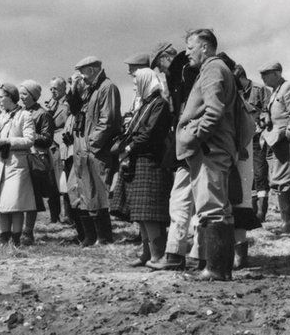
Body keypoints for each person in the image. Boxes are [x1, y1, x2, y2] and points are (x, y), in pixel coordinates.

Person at [175, 29, 238, 281]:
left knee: (213, 208)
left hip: (209, 149)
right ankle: (220, 268)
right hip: (214, 147)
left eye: (190, 47)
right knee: (219, 207)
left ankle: (216, 269)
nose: (187, 53)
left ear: (204, 47)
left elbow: (214, 111)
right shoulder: (218, 68)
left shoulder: (212, 69)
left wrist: (195, 135)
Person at [110, 69, 173, 267]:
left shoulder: (159, 104)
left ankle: (156, 255)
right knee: (141, 214)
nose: (135, 86)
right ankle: (146, 253)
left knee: (150, 213)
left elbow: (149, 134)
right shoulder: (146, 104)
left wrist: (128, 147)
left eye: (137, 83)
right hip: (139, 160)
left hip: (151, 161)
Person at [145, 42, 198, 271]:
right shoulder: (187, 73)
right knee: (196, 205)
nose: (160, 71)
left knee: (179, 202)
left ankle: (175, 254)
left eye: (160, 65)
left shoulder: (183, 72)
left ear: (166, 58)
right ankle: (196, 255)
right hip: (193, 144)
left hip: (189, 145)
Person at [66, 57, 121, 246]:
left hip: (94, 149)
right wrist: (73, 89)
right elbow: (74, 110)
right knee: (81, 192)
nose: (79, 75)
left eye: (82, 71)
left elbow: (109, 119)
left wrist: (91, 144)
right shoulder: (89, 89)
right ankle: (89, 236)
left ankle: (103, 237)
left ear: (91, 70)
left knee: (97, 193)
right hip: (82, 148)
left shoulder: (107, 87)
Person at [0, 83, 37, 246]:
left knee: (15, 203)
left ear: (11, 97)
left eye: (1, 97)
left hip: (16, 165)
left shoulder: (25, 116)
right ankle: (4, 237)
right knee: (2, 203)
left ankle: (16, 238)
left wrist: (6, 141)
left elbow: (29, 140)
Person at [259, 62, 290, 235]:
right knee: (278, 181)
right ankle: (287, 224)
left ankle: (289, 227)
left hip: (286, 141)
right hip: (276, 141)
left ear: (277, 73)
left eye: (266, 73)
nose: (262, 77)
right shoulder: (276, 91)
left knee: (283, 181)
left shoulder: (288, 88)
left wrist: (289, 135)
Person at [18, 80, 57, 244]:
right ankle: (18, 230)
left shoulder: (43, 114)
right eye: (20, 94)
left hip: (35, 159)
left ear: (34, 96)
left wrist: (29, 136)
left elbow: (48, 139)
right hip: (22, 158)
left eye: (25, 94)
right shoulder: (20, 112)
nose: (21, 97)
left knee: (33, 196)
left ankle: (28, 232)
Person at [233, 65, 272, 222]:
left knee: (260, 174)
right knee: (248, 177)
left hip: (258, 138)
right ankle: (252, 211)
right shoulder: (235, 91)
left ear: (242, 77)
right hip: (243, 139)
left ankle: (261, 213)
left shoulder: (260, 90)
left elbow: (269, 111)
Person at [44, 77, 70, 223]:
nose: (52, 91)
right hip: (50, 145)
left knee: (64, 180)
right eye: (51, 88)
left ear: (63, 88)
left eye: (55, 88)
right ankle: (54, 216)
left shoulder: (68, 103)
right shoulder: (51, 103)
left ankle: (68, 215)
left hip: (62, 144)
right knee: (51, 181)